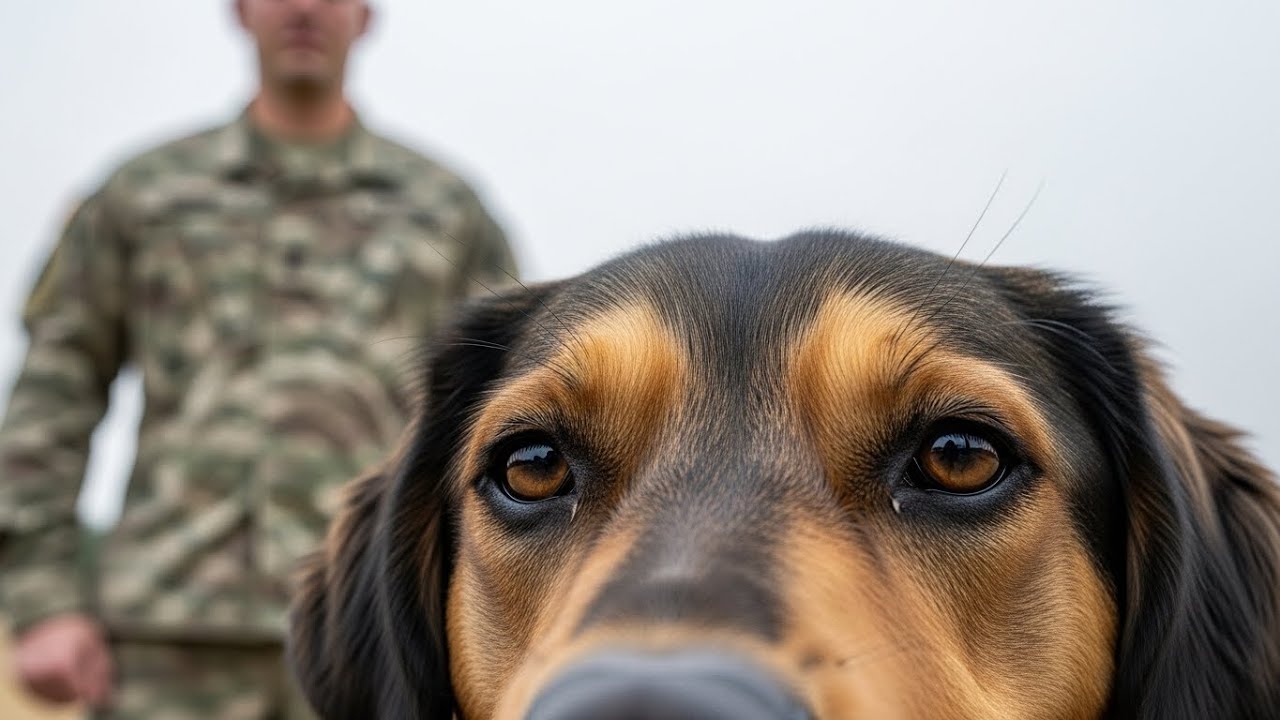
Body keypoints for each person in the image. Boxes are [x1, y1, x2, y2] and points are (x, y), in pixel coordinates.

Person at [0, 0, 516, 716]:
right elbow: (53, 397)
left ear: (367, 15)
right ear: (239, 11)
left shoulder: (447, 213)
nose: (304, 7)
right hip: (169, 641)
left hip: (368, 637)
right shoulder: (145, 195)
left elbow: (510, 421)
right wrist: (42, 599)